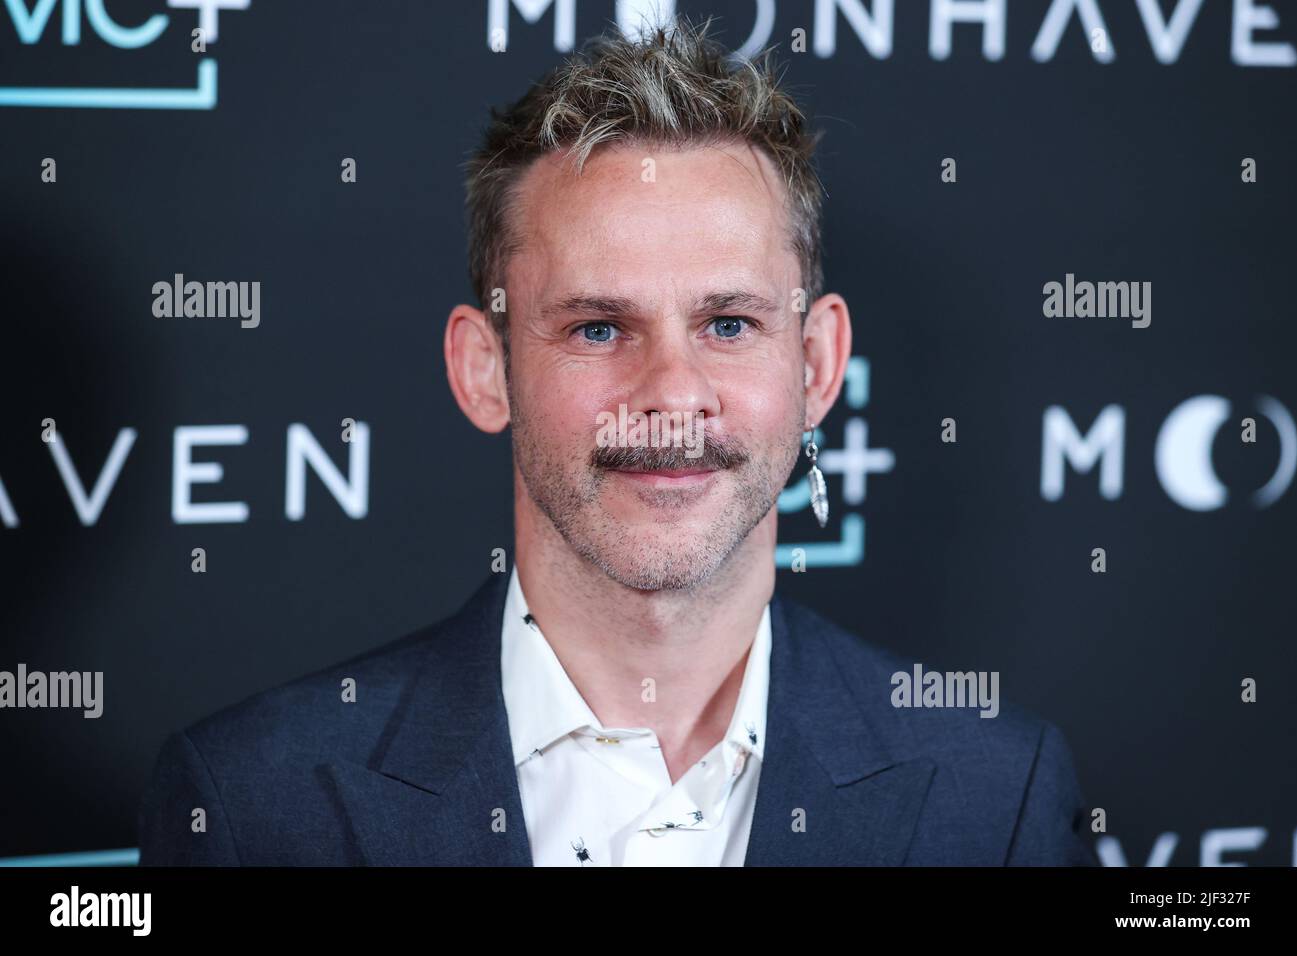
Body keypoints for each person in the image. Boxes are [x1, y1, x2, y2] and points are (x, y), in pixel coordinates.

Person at [138, 16, 1097, 867]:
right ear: (486, 369)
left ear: (815, 366)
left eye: (728, 324)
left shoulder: (998, 795)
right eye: (598, 328)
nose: (672, 395)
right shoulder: (253, 805)